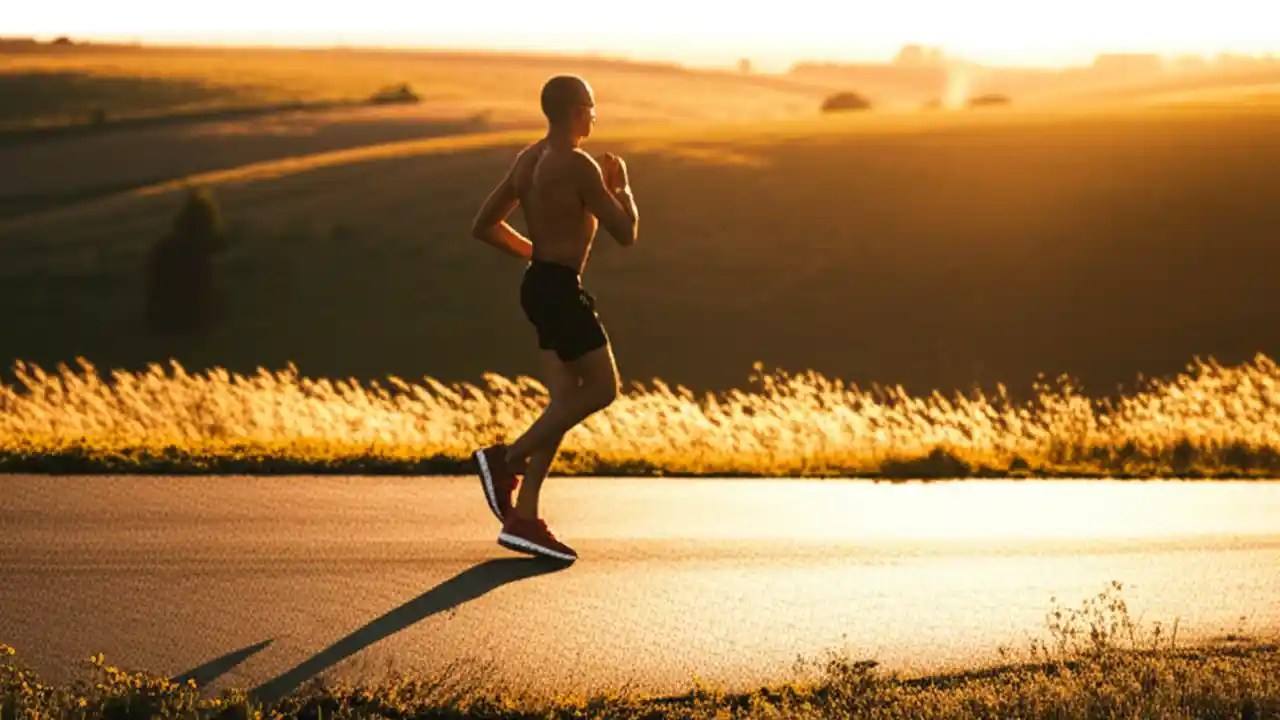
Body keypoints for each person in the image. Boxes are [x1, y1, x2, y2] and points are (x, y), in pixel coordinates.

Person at [469, 75, 640, 562]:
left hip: (538, 285)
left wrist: (536, 255)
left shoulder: (528, 159)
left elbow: (484, 225)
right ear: (578, 111)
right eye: (592, 109)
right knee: (603, 389)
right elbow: (626, 232)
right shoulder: (581, 166)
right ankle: (505, 460)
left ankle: (524, 517)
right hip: (561, 290)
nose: (594, 118)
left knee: (563, 401)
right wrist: (623, 188)